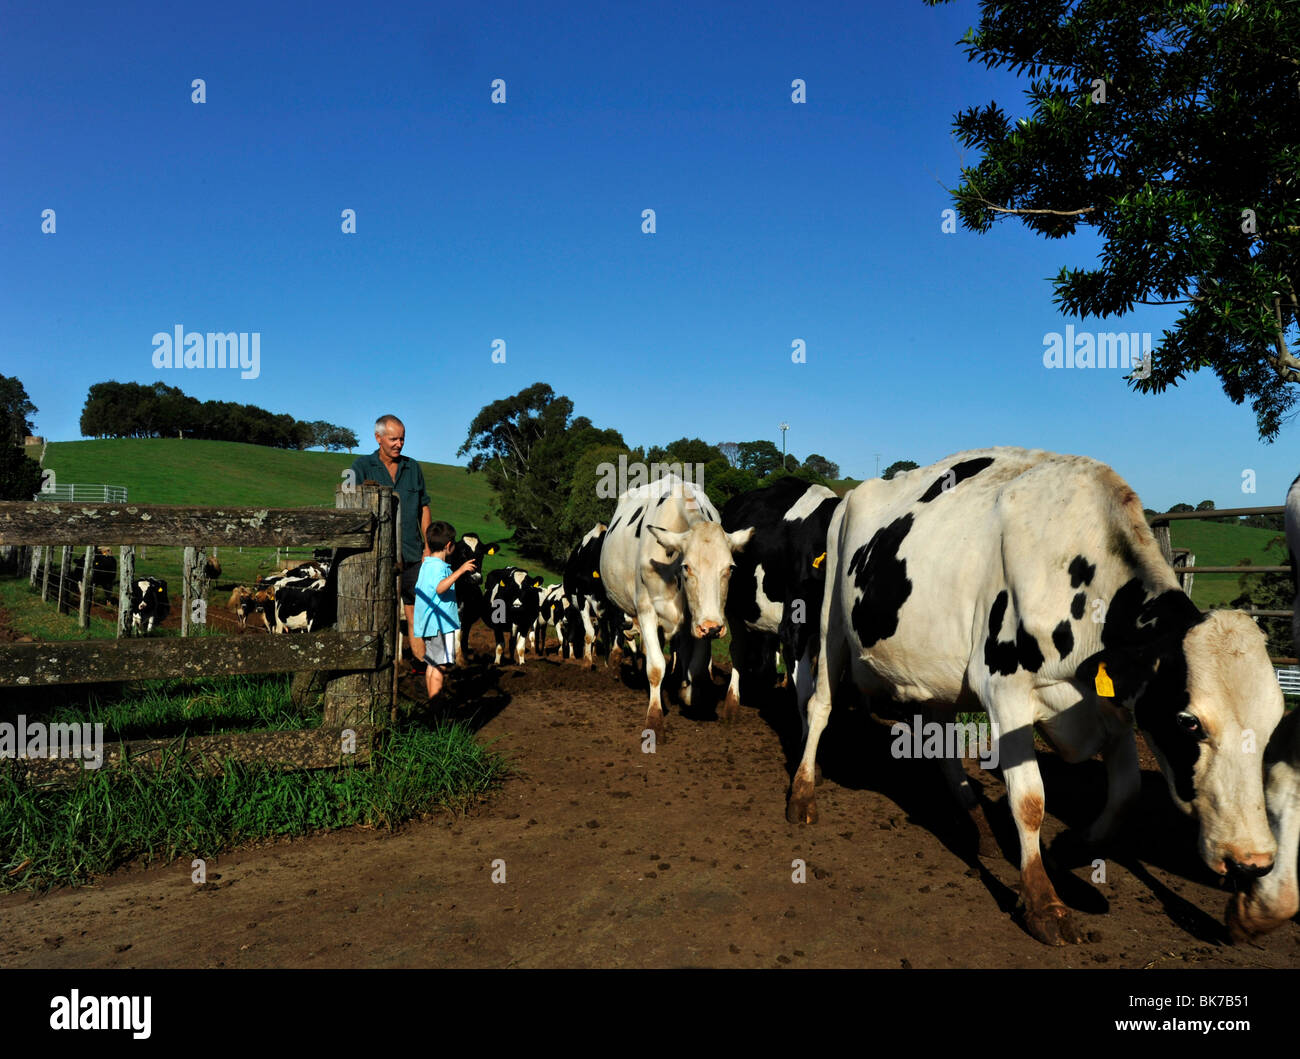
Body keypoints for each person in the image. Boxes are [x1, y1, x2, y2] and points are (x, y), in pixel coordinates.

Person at [349, 415, 432, 672]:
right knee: (376, 604)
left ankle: (421, 663)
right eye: (393, 439)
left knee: (415, 607)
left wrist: (428, 547)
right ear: (378, 438)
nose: (399, 444)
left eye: (402, 438)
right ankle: (374, 662)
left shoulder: (413, 467)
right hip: (376, 552)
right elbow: (347, 505)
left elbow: (424, 507)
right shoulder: (360, 466)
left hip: (411, 551)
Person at [413, 521, 479, 707]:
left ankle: (432, 701)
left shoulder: (426, 564)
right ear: (449, 545)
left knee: (432, 664)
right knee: (440, 667)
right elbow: (440, 588)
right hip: (440, 623)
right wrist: (460, 571)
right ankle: (437, 705)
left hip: (429, 623)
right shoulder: (439, 568)